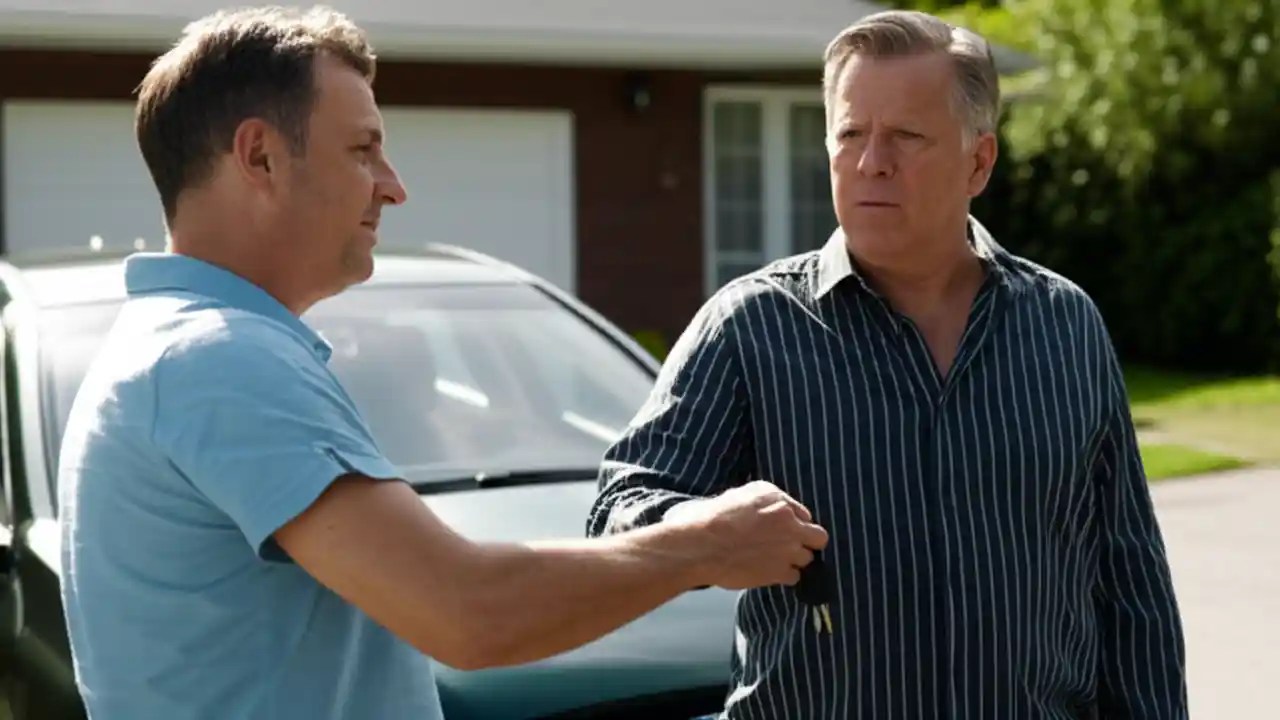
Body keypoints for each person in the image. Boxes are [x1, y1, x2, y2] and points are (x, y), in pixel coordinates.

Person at [55, 6, 829, 719]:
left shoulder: (169, 349)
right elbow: (467, 613)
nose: (394, 187)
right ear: (259, 156)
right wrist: (706, 545)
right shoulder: (217, 358)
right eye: (363, 149)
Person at [586, 9, 1188, 719]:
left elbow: (1129, 580)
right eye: (851, 133)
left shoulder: (1065, 325)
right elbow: (615, 515)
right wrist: (707, 530)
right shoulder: (750, 328)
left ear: (979, 161)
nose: (873, 161)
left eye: (906, 136)